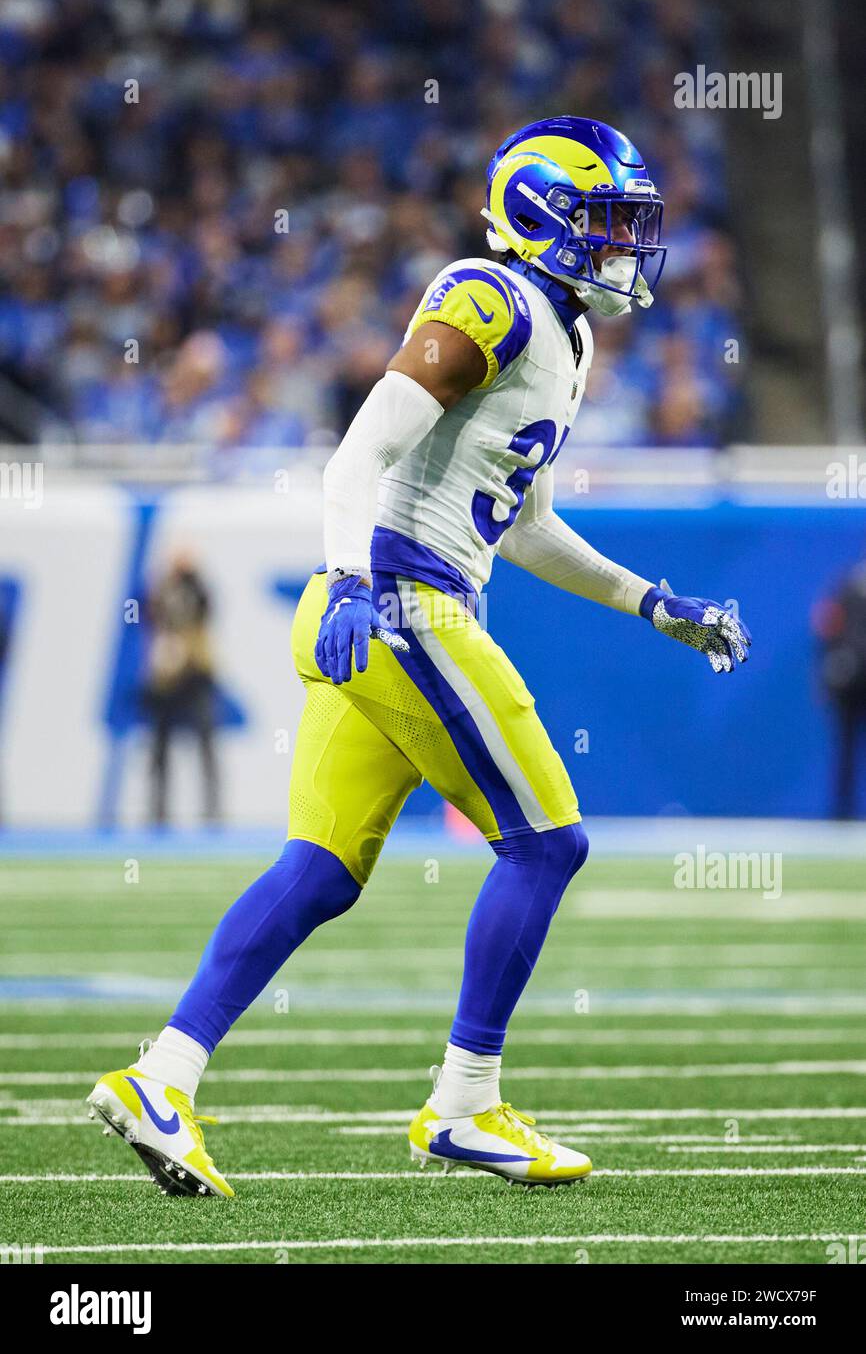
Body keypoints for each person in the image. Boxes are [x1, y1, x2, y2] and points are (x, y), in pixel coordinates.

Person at [88, 117, 751, 1197]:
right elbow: (358, 452)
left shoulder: (563, 333)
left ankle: (163, 1076)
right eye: (606, 221)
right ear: (539, 216)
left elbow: (523, 522)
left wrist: (649, 601)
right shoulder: (491, 298)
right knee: (546, 843)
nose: (626, 245)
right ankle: (463, 1102)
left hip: (382, 609)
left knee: (316, 873)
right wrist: (355, 579)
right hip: (400, 606)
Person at [141, 552, 220, 826]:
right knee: (160, 746)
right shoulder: (163, 592)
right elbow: (152, 615)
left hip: (196, 674)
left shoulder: (198, 590)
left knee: (206, 743)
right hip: (167, 678)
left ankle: (212, 811)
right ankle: (158, 811)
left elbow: (203, 607)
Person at [813, 559, 866, 819]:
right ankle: (842, 811)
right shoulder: (847, 588)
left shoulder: (847, 587)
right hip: (849, 681)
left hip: (853, 675)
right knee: (846, 748)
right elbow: (827, 629)